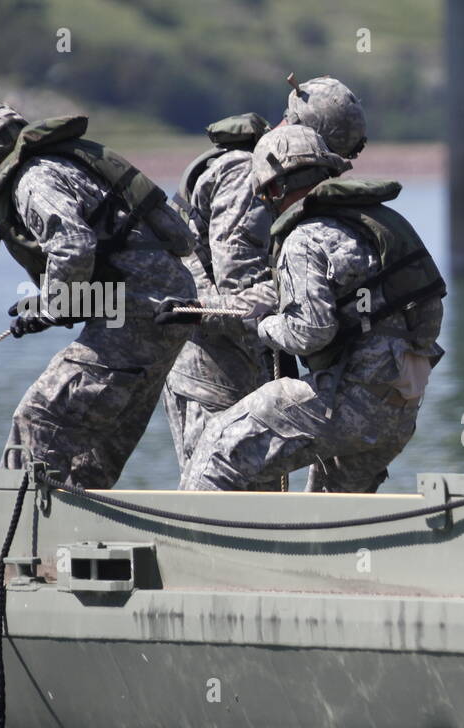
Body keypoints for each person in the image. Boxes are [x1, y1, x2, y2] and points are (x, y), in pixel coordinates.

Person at [0, 100, 196, 488]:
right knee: (93, 454)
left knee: (38, 418)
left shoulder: (32, 178)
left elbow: (73, 245)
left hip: (137, 314)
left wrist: (51, 306)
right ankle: (75, 532)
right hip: (159, 311)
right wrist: (48, 306)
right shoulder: (57, 166)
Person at [179, 125, 445, 492]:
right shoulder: (374, 225)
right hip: (400, 409)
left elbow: (309, 331)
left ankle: (187, 543)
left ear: (273, 189)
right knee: (331, 508)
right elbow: (281, 293)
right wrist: (204, 309)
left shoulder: (304, 237)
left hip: (348, 402)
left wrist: (266, 328)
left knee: (220, 443)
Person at [161, 76, 369, 487]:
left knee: (259, 502)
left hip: (250, 355)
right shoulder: (249, 174)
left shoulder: (279, 169)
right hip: (215, 366)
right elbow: (239, 290)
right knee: (218, 498)